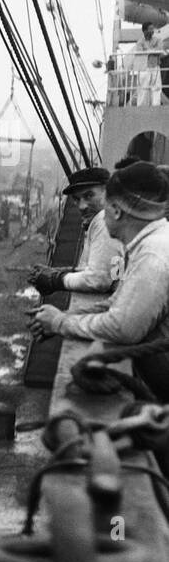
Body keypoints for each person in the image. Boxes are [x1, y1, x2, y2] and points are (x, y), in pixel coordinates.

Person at [30, 163, 169, 397]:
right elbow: (118, 300)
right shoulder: (152, 243)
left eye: (104, 208)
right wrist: (67, 317)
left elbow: (122, 328)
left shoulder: (153, 255)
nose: (97, 216)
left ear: (115, 211)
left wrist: (60, 324)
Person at [28, 167, 119, 297]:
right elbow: (106, 273)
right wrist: (60, 272)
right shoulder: (111, 221)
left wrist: (56, 279)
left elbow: (99, 280)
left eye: (89, 195)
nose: (82, 206)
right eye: (76, 199)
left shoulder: (103, 220)